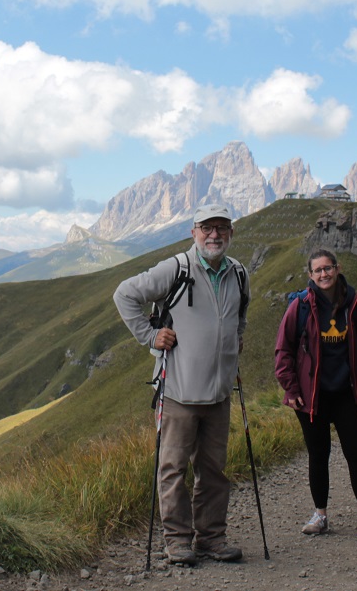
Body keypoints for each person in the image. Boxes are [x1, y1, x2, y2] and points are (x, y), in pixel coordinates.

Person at [113, 203, 250, 566]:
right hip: (177, 391)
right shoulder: (177, 268)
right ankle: (177, 542)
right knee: (173, 469)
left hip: (219, 393)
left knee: (214, 471)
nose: (214, 235)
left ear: (231, 233)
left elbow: (241, 317)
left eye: (221, 227)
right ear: (194, 232)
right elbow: (124, 294)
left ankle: (211, 539)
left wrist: (235, 343)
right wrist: (149, 335)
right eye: (207, 227)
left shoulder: (238, 273)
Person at [274, 249, 357, 544]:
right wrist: (291, 388)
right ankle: (320, 515)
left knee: (356, 454)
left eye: (328, 268)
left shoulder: (353, 303)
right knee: (318, 455)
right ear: (310, 275)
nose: (324, 274)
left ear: (337, 269)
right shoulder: (299, 306)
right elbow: (283, 350)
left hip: (347, 394)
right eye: (318, 270)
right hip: (312, 397)